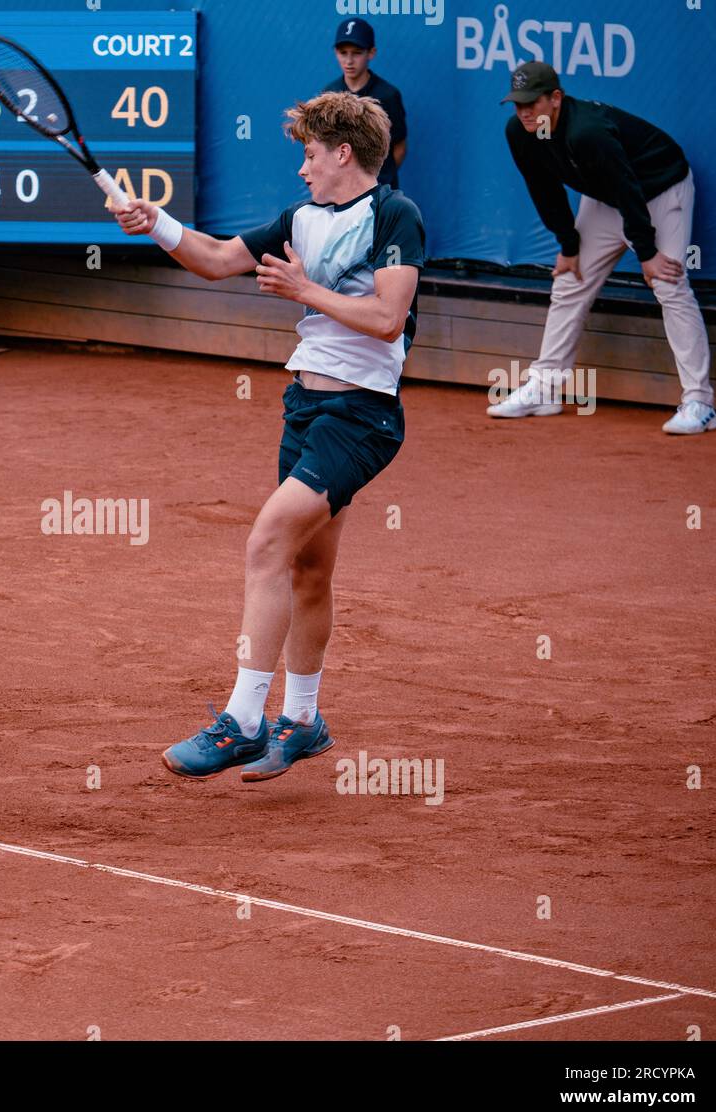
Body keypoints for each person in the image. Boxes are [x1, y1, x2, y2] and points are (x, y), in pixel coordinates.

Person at [113, 92, 424, 782]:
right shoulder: (300, 219)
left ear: (343, 153)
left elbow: (387, 317)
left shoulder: (395, 214)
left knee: (266, 540)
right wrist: (157, 222)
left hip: (362, 415)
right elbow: (220, 259)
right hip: (304, 408)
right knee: (309, 570)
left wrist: (304, 290)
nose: (302, 169)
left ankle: (244, 720)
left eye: (310, 155)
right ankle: (305, 719)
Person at [492, 61, 716, 435]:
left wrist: (646, 252)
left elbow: (628, 188)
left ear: (557, 98)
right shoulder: (520, 131)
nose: (525, 111)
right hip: (606, 196)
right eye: (518, 103)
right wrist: (568, 243)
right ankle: (546, 390)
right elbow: (542, 187)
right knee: (569, 278)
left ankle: (701, 403)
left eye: (533, 102)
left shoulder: (587, 132)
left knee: (669, 285)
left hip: (659, 190)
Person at [322, 17, 407, 190]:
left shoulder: (388, 95)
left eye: (357, 52)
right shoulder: (329, 95)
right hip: (341, 192)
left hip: (379, 192)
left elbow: (399, 146)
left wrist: (378, 179)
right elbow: (326, 148)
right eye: (343, 52)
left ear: (371, 53)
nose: (349, 61)